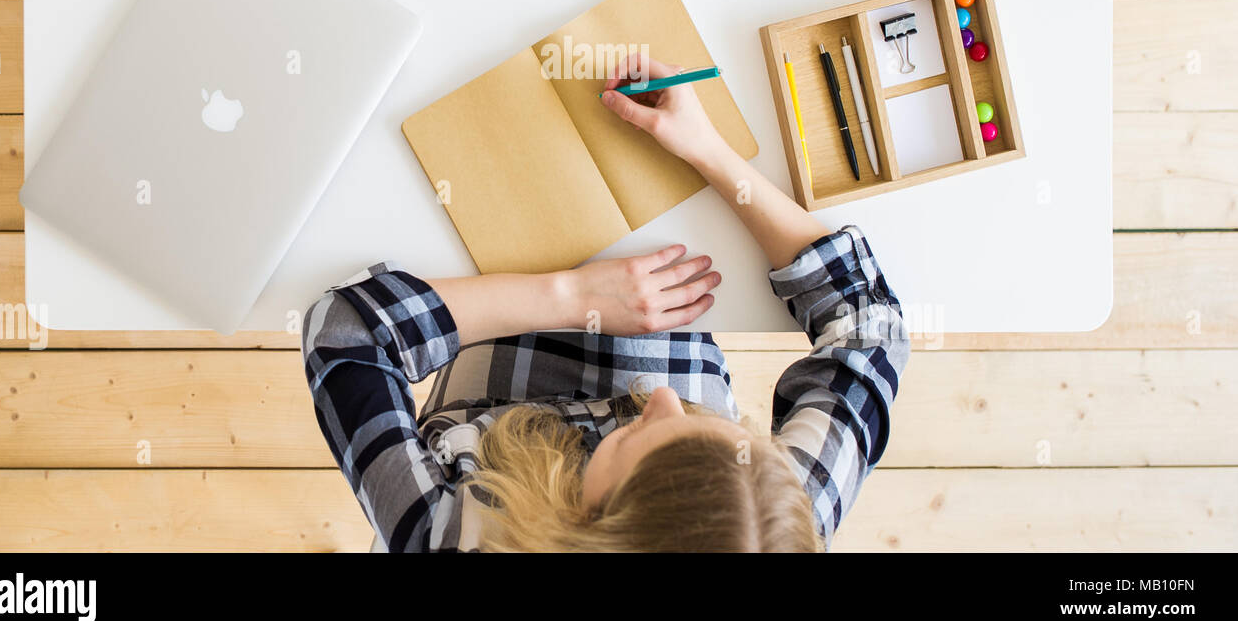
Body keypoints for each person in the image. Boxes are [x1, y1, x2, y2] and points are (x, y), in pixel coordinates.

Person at [302, 53, 909, 552]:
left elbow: (345, 331)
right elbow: (870, 328)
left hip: (483, 292)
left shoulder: (454, 538)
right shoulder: (760, 522)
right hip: (655, 266)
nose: (664, 398)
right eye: (715, 431)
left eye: (634, 436)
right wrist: (711, 153)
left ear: (580, 524)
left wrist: (571, 294)